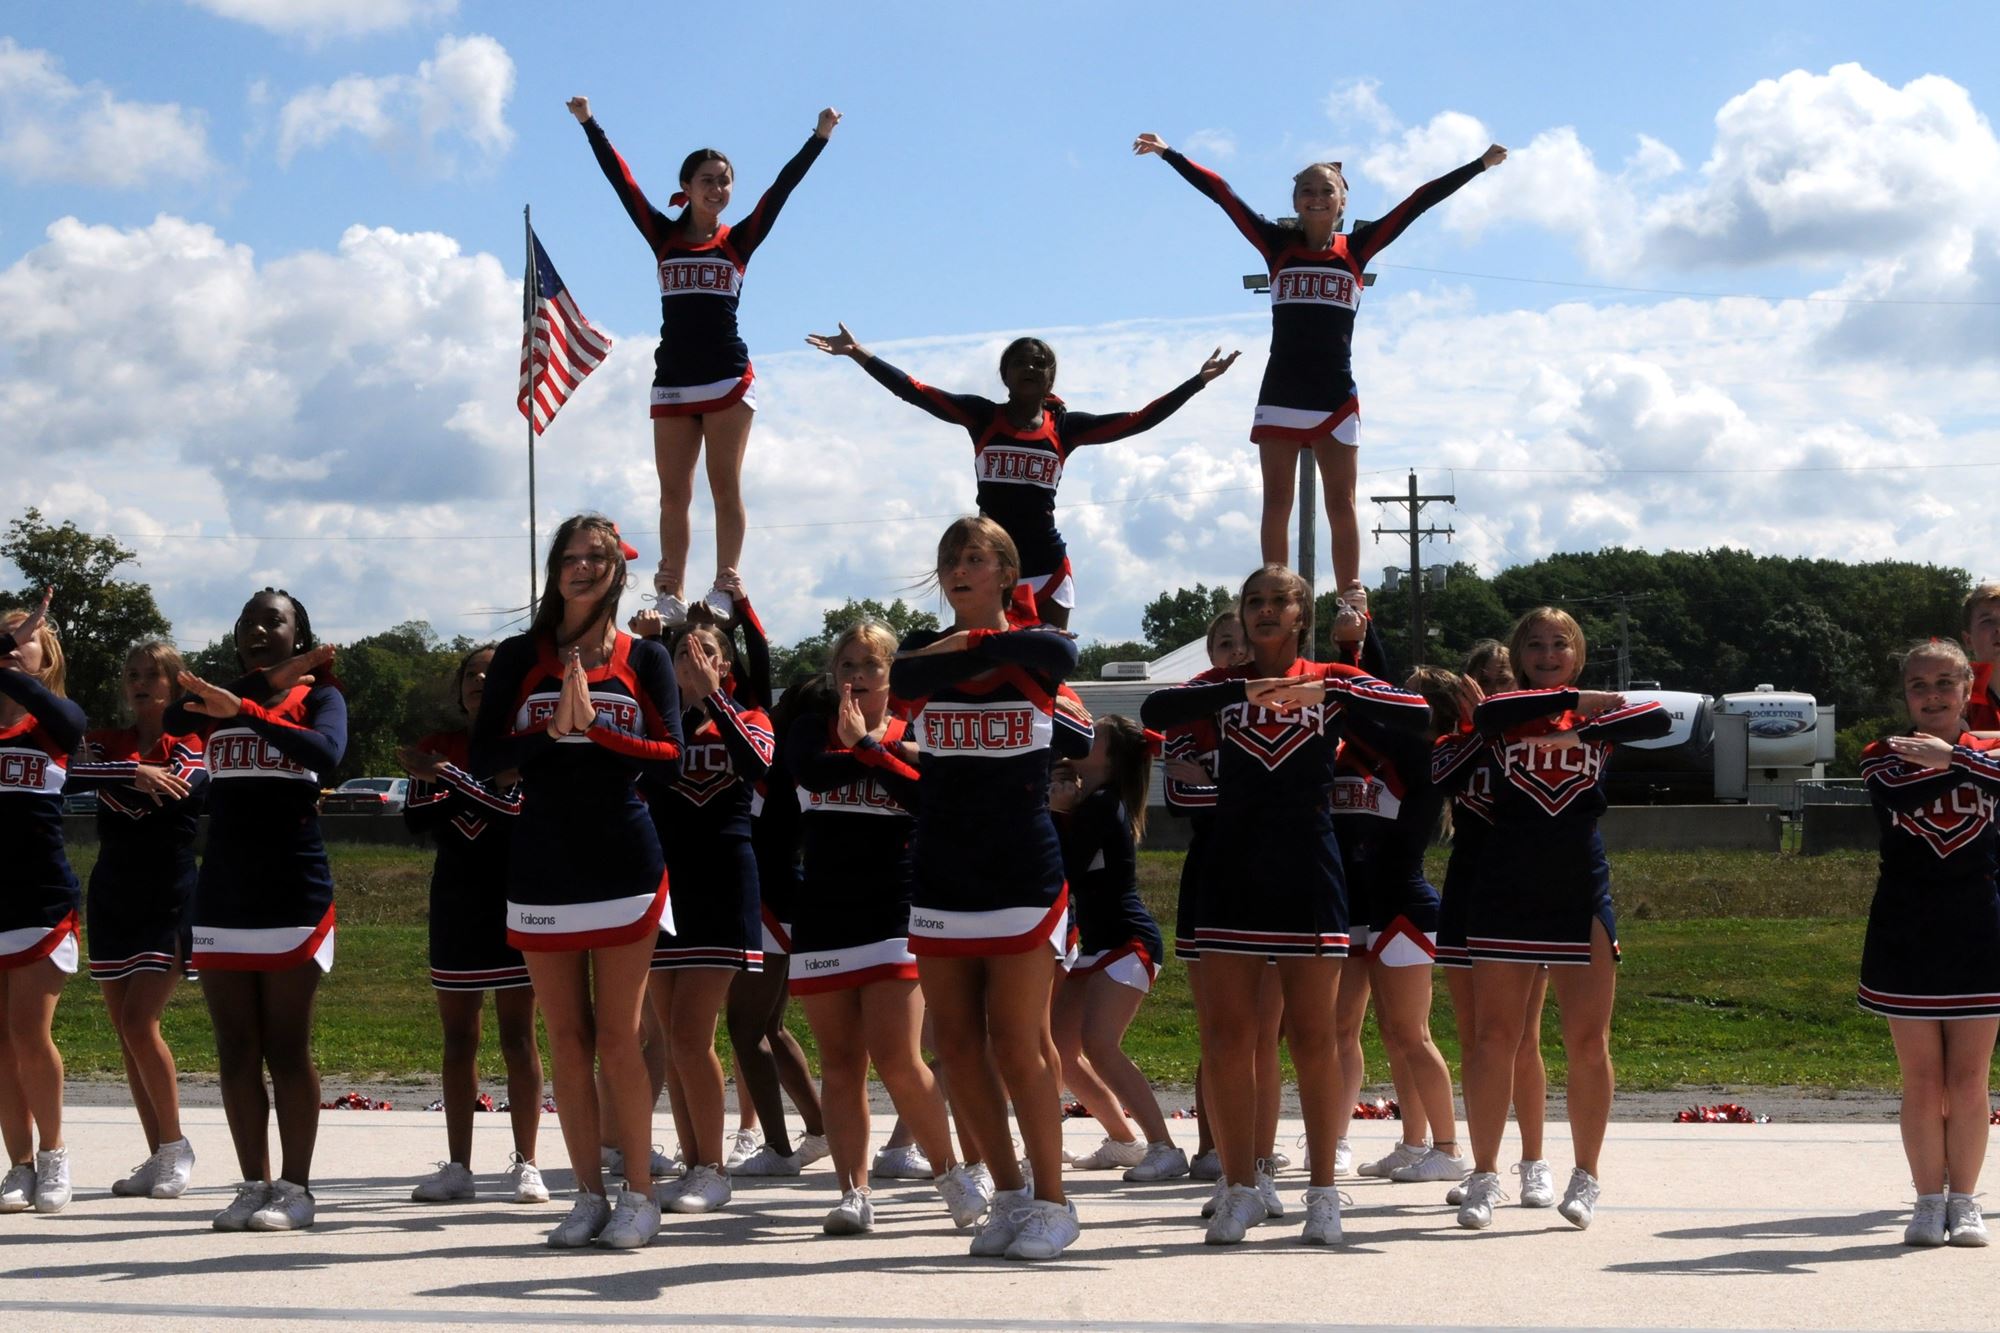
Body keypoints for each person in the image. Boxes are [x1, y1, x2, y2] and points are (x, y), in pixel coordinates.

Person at [1142, 565, 1430, 1246]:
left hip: (1310, 872)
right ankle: (1240, 1186)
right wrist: (1243, 688)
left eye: (1280, 602)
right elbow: (1155, 712)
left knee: (1313, 1037)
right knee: (1227, 1038)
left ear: (1302, 614)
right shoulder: (1220, 686)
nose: (1266, 612)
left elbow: (1417, 713)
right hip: (1231, 872)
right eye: (1255, 602)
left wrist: (1331, 687)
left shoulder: (1329, 678)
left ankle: (1322, 1192)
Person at [1132, 130, 1505, 600]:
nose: (1316, 196)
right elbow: (1222, 194)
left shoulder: (1358, 248)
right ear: (1294, 200)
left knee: (1341, 503)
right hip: (1282, 391)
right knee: (1277, 502)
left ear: (1342, 202)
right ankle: (1277, 596)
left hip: (1335, 394)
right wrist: (1169, 154)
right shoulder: (1275, 245)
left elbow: (1417, 202)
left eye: (1326, 189)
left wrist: (1478, 164)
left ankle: (1351, 599)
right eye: (1307, 189)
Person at [471, 515, 683, 1249]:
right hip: (542, 861)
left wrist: (597, 730)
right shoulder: (518, 657)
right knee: (566, 1037)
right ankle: (587, 1194)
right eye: (571, 556)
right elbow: (485, 757)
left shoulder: (645, 656)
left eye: (597, 557)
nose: (583, 567)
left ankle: (639, 1195)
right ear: (554, 569)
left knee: (620, 1036)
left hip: (624, 859)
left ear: (618, 571)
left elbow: (670, 758)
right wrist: (550, 732)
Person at [569, 94, 840, 622]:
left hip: (725, 377)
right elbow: (622, 183)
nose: (718, 189)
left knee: (724, 486)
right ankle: (670, 591)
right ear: (687, 187)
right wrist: (590, 123)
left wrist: (819, 138)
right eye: (708, 180)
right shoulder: (663, 236)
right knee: (673, 494)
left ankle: (724, 584)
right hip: (673, 375)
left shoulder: (739, 240)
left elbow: (781, 189)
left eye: (725, 181)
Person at [890, 517, 1081, 1259]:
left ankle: (1055, 1201)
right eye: (950, 560)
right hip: (942, 870)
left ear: (1006, 571)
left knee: (1021, 1043)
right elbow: (902, 678)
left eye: (975, 558)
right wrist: (968, 645)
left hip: (1020, 869)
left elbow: (1060, 653)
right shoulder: (921, 654)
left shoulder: (1036, 649)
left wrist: (973, 642)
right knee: (957, 1045)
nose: (960, 570)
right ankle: (1008, 1192)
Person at [1454, 608, 1668, 1232]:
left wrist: (1582, 724)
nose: (1548, 655)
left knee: (1587, 1041)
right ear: (1519, 656)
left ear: (1578, 653)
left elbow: (1657, 718)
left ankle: (1586, 1175)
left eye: (1560, 645)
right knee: (1495, 1038)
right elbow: (1488, 718)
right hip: (1506, 887)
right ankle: (1484, 1175)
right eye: (1536, 645)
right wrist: (1573, 703)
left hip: (1579, 887)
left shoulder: (1599, 719)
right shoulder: (1505, 712)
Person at [805, 325, 1236, 630]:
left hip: (1047, 566)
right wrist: (860, 354)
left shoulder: (1066, 428)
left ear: (1051, 378)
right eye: (1021, 362)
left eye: (1040, 363)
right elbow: (915, 391)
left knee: (1047, 671)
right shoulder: (982, 416)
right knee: (989, 664)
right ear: (1005, 375)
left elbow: (1137, 420)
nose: (1031, 367)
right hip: (990, 569)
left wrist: (1197, 381)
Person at [787, 620, 985, 1235]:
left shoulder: (915, 732)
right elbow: (812, 774)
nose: (857, 675)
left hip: (893, 912)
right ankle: (854, 1192)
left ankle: (950, 1174)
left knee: (899, 1057)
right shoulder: (808, 729)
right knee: (840, 1063)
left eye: (871, 664)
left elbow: (928, 797)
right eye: (847, 663)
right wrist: (866, 753)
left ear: (892, 675)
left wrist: (874, 750)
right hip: (823, 914)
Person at [172, 589, 347, 1232]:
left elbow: (325, 754)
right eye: (249, 619)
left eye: (275, 620)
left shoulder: (321, 698)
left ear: (299, 635)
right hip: (223, 892)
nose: (258, 628)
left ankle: (296, 1189)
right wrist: (247, 693)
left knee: (286, 1046)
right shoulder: (211, 701)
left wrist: (249, 707)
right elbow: (172, 717)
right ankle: (253, 1184)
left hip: (292, 890)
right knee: (235, 1047)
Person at [635, 611, 773, 1216]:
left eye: (707, 654)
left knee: (693, 1034)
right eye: (683, 655)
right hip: (665, 885)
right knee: (671, 1038)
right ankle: (695, 1164)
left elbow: (759, 767)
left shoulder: (751, 717)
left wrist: (714, 697)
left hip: (722, 882)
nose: (694, 663)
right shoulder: (658, 723)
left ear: (725, 664)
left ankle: (714, 1170)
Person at [398, 645, 547, 1206]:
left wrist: (448, 779)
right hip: (456, 903)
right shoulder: (439, 744)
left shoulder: (528, 741)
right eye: (470, 674)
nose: (480, 679)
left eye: (491, 672)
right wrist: (480, 783)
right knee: (459, 1038)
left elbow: (516, 815)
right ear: (459, 689)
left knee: (518, 1038)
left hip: (515, 901)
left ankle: (527, 1164)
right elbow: (418, 818)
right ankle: (458, 1166)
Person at [1865, 638, 2000, 1247]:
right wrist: (1960, 763)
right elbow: (1900, 793)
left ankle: (1964, 1200)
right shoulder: (1883, 754)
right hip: (1907, 929)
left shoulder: (1987, 751)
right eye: (1918, 685)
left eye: (1945, 682)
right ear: (1905, 695)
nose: (1932, 695)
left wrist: (1957, 758)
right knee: (1921, 1079)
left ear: (1969, 689)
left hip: (1981, 928)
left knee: (1970, 1079)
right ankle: (1926, 1201)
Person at [66, 640, 207, 1202]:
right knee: (126, 1034)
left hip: (167, 894)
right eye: (132, 674)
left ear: (175, 683)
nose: (140, 683)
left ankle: (176, 1146)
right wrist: (131, 769)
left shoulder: (192, 742)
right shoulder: (105, 743)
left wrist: (124, 774)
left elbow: (183, 785)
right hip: (112, 895)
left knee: (139, 1022)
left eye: (152, 674)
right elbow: (65, 774)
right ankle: (158, 1154)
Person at [1158, 612, 1286, 1184]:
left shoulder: (1285, 705)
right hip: (1212, 874)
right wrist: (1255, 795)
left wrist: (1223, 789)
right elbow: (1180, 795)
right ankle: (1213, 1148)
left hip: (1279, 876)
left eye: (1245, 642)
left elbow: (1297, 794)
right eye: (1224, 643)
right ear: (1209, 653)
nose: (1237, 652)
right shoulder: (1188, 711)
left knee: (1266, 1034)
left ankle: (1259, 1156)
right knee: (1220, 1028)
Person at [1432, 641, 1553, 1208]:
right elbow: (1436, 781)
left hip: (1522, 891)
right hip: (1467, 889)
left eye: (1506, 681)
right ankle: (1483, 1166)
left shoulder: (1537, 738)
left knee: (1523, 1037)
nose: (1496, 691)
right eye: (1484, 682)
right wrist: (1478, 727)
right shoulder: (1457, 743)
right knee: (1477, 1039)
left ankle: (1534, 1161)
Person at [1049, 716, 1185, 1182]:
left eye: (1094, 737)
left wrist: (1058, 812)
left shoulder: (1104, 805)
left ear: (1109, 758)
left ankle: (1165, 1148)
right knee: (1059, 1048)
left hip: (1129, 941)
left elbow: (1064, 869)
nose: (1081, 739)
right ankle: (1123, 1140)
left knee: (1100, 1044)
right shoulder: (1093, 801)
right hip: (1099, 941)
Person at [0, 594, 86, 1215]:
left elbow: (68, 722)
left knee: (30, 1033)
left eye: (24, 637)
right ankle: (19, 1165)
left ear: (46, 656)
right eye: (4, 637)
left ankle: (54, 1155)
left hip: (41, 897)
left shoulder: (56, 721)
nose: (11, 644)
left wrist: (10, 667)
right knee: (0, 1045)